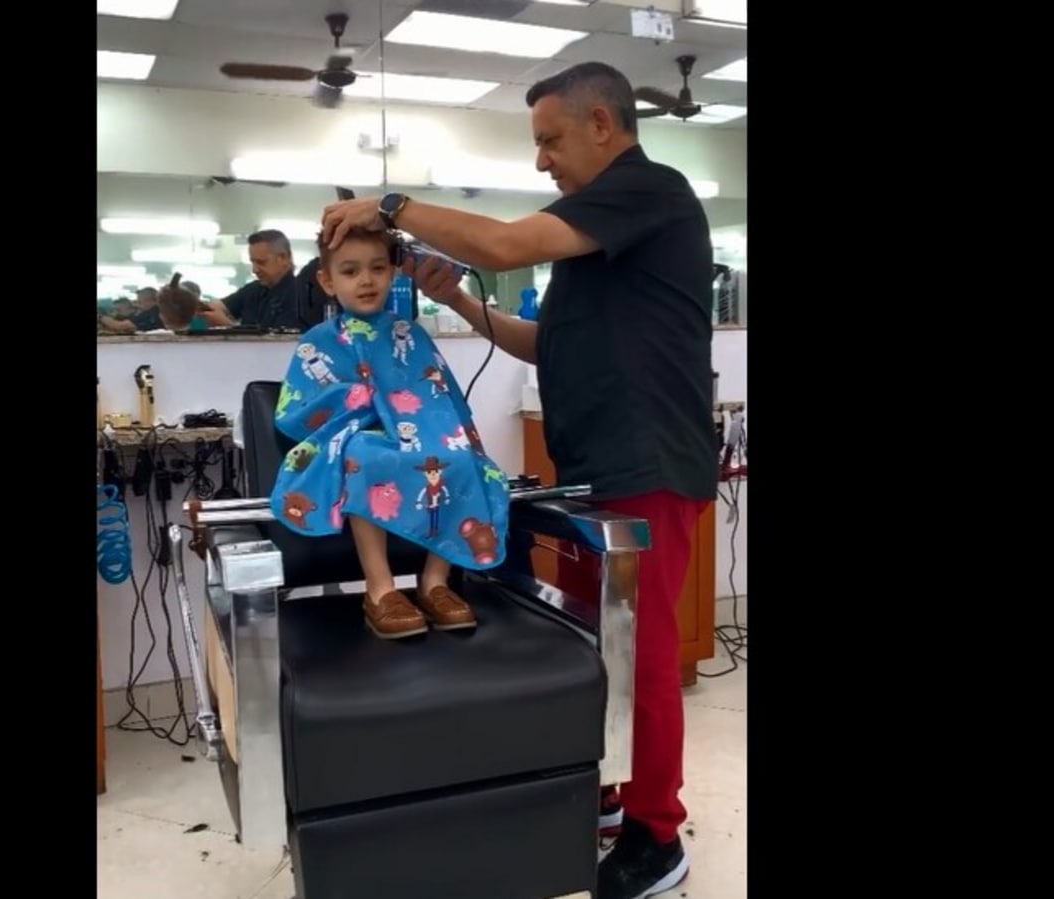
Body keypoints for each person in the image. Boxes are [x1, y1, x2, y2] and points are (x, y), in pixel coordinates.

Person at [320, 61, 719, 899]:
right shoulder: (591, 241)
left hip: (648, 464)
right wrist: (465, 306)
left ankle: (658, 835)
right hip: (590, 474)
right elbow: (544, 345)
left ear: (602, 125)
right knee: (595, 646)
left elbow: (504, 242)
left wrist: (388, 205)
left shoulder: (652, 190)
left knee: (642, 655)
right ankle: (613, 796)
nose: (542, 160)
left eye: (550, 139)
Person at [268, 227, 512, 640]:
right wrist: (363, 400)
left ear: (393, 273)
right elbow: (299, 412)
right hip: (357, 437)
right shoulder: (318, 342)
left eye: (377, 268)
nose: (366, 279)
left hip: (417, 435)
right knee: (367, 455)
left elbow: (440, 396)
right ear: (328, 281)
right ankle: (379, 588)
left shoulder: (409, 333)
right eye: (350, 271)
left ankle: (435, 580)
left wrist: (419, 422)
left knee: (461, 456)